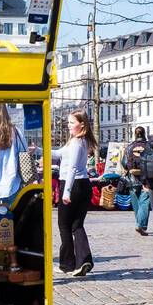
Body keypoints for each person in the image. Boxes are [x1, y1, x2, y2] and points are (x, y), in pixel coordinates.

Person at [51, 109, 96, 276]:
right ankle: (83, 260)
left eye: (71, 123)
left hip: (73, 185)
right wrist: (38, 150)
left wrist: (66, 191)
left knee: (64, 225)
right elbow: (58, 154)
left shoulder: (77, 142)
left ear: (81, 124)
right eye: (68, 122)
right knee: (76, 225)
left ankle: (68, 264)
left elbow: (72, 168)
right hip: (82, 185)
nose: (68, 125)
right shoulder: (77, 141)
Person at [124, 126, 151, 236]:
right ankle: (141, 225)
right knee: (145, 202)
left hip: (132, 178)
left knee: (136, 205)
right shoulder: (149, 146)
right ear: (144, 133)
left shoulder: (129, 147)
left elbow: (124, 163)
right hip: (146, 177)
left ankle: (139, 223)